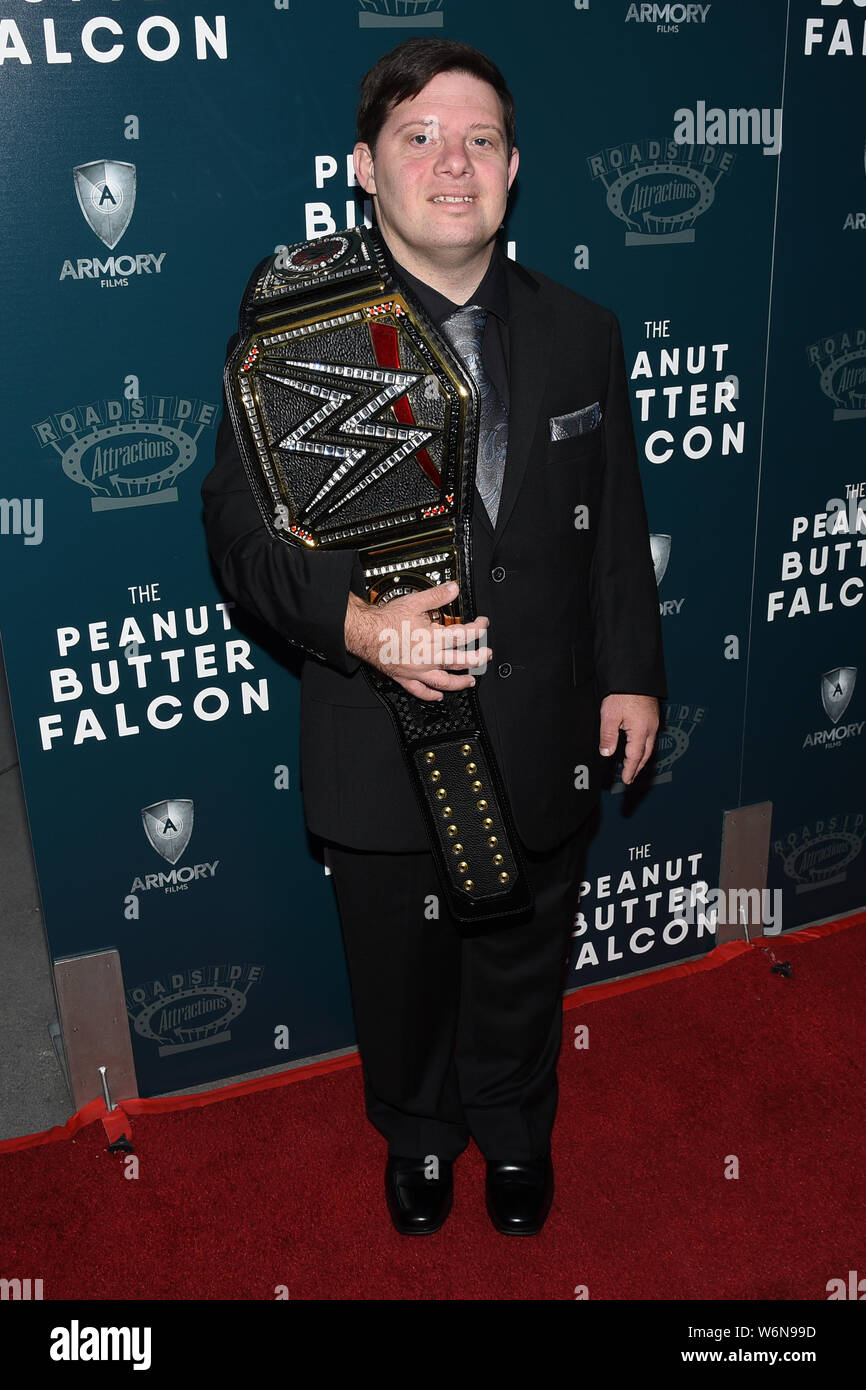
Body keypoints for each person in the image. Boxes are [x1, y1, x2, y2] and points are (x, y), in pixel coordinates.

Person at [201, 37, 666, 1237]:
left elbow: (613, 525)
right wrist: (356, 626)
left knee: (518, 955)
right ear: (363, 167)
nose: (450, 164)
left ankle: (512, 1129)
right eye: (418, 137)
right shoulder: (297, 321)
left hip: (545, 723)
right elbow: (240, 543)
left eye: (479, 140)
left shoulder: (583, 330)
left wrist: (630, 678)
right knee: (400, 969)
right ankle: (417, 1133)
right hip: (378, 735)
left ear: (514, 168)